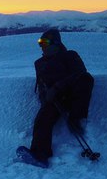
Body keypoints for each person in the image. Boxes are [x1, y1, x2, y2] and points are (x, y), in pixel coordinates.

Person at [25, 28, 94, 167]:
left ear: (56, 43)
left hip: (73, 94)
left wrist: (56, 88)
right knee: (42, 120)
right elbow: (41, 86)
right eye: (40, 43)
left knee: (86, 79)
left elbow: (80, 74)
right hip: (55, 100)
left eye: (45, 42)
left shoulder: (70, 56)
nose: (42, 46)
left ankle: (77, 119)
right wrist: (46, 98)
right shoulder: (39, 63)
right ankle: (40, 155)